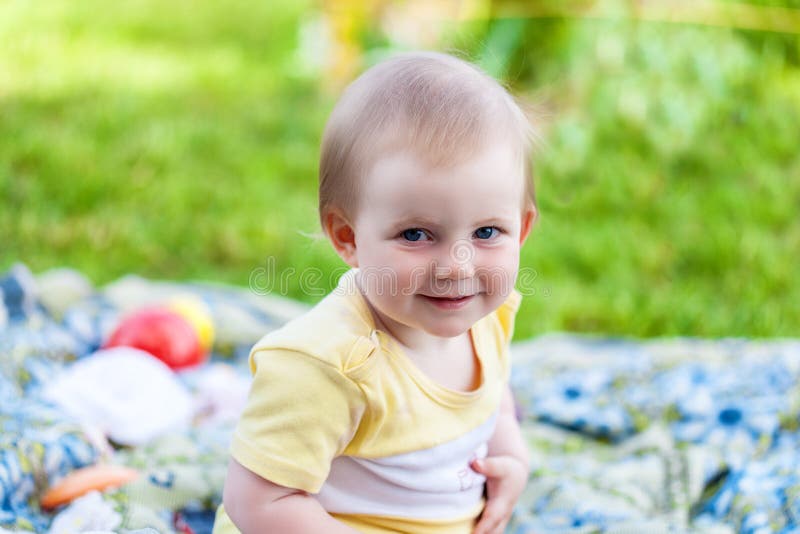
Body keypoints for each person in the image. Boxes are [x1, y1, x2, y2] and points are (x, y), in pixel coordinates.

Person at [213, 50, 538, 534]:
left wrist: (510, 458)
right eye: (416, 235)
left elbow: (495, 402)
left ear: (523, 228)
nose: (457, 267)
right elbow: (256, 502)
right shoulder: (327, 365)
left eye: (487, 232)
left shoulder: (485, 317)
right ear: (347, 237)